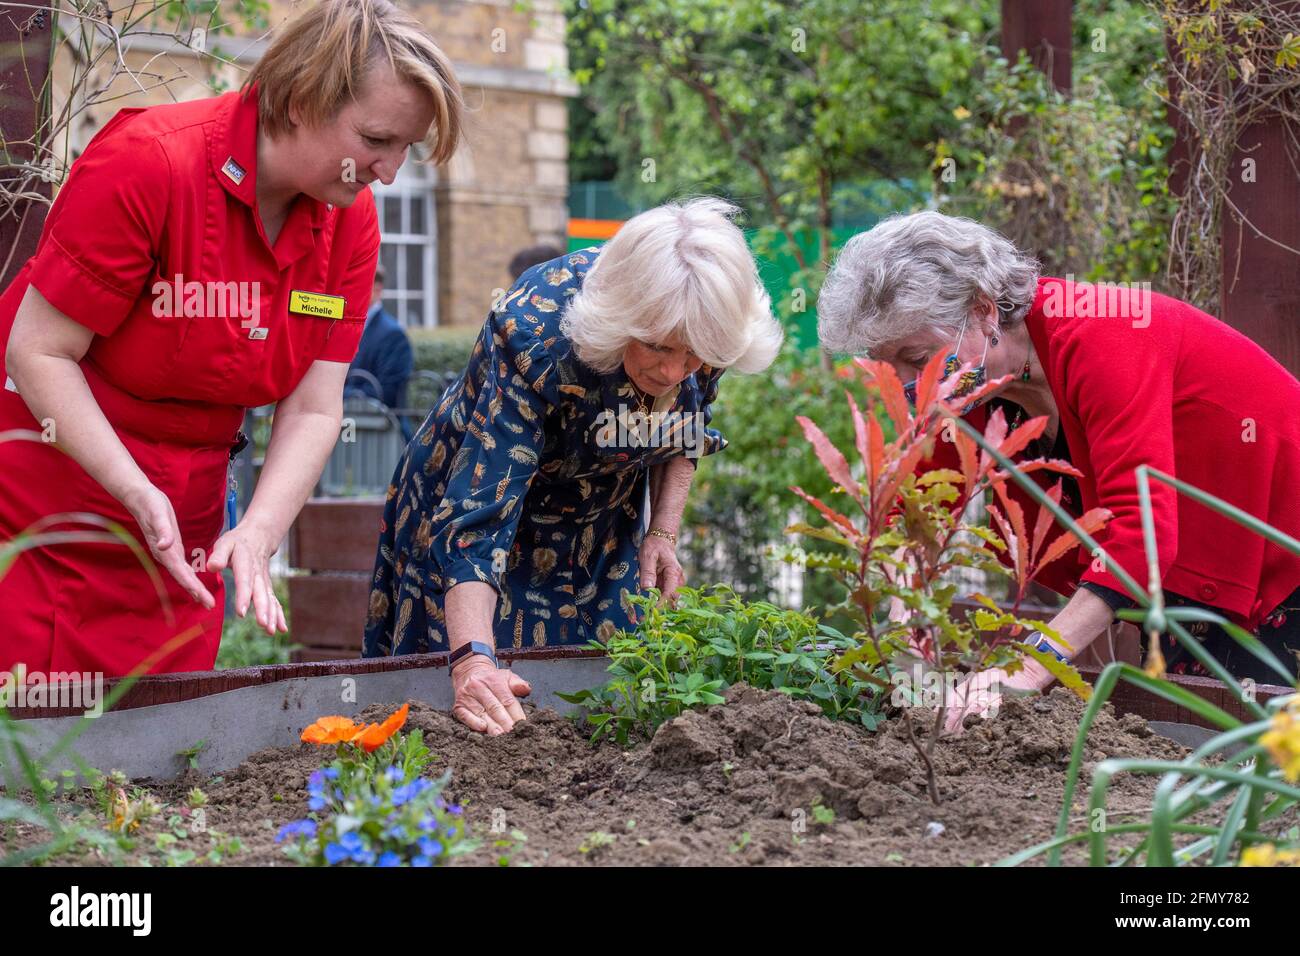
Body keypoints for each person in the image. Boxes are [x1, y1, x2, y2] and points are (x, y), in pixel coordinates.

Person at [0, 0, 463, 676]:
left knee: (169, 745)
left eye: (406, 150)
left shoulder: (351, 223)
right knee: (41, 747)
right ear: (303, 100)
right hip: (50, 499)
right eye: (376, 140)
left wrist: (258, 530)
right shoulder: (151, 162)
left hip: (186, 517)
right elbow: (36, 350)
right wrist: (131, 487)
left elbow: (313, 406)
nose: (389, 173)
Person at [817, 211, 1300, 731]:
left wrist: (1021, 671)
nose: (916, 385)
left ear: (981, 310)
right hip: (1198, 578)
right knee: (1197, 748)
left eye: (918, 358)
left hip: (1281, 552)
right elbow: (917, 522)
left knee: (1254, 761)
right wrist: (904, 652)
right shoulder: (968, 383)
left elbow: (1137, 535)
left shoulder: (1106, 334)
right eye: (895, 369)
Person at [363, 198, 783, 735]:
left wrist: (662, 533)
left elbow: (686, 429)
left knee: (603, 693)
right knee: (465, 702)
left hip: (599, 513)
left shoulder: (708, 323)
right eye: (657, 347)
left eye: (694, 355)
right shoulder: (535, 334)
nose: (676, 369)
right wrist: (471, 658)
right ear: (621, 324)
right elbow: (478, 518)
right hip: (476, 498)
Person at [345, 263, 415, 439]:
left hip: (383, 436)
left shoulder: (393, 334)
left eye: (359, 283)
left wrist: (341, 394)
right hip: (348, 430)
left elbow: (386, 392)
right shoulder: (344, 328)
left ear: (377, 288)